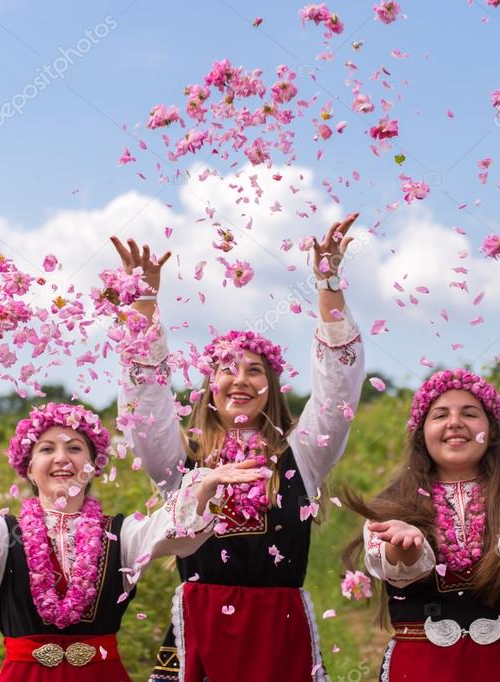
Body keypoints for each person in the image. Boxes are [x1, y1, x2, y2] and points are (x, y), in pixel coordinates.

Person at [112, 214, 366, 682]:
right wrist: (144, 306)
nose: (241, 379)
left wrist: (328, 282)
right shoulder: (178, 462)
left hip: (279, 631)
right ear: (210, 387)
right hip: (201, 630)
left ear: (270, 387)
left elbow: (336, 393)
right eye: (228, 369)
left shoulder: (301, 456)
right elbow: (145, 405)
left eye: (254, 370)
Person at [0, 402, 267, 681]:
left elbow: (169, 527)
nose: (62, 458)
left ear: (92, 466)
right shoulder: (0, 536)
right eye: (46, 449)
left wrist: (206, 484)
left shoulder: (122, 535)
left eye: (75, 448)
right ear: (28, 467)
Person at [344, 368, 500, 682]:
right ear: (421, 432)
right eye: (440, 415)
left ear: (491, 430)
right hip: (424, 669)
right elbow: (394, 565)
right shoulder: (391, 507)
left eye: (469, 413)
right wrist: (405, 549)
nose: (455, 422)